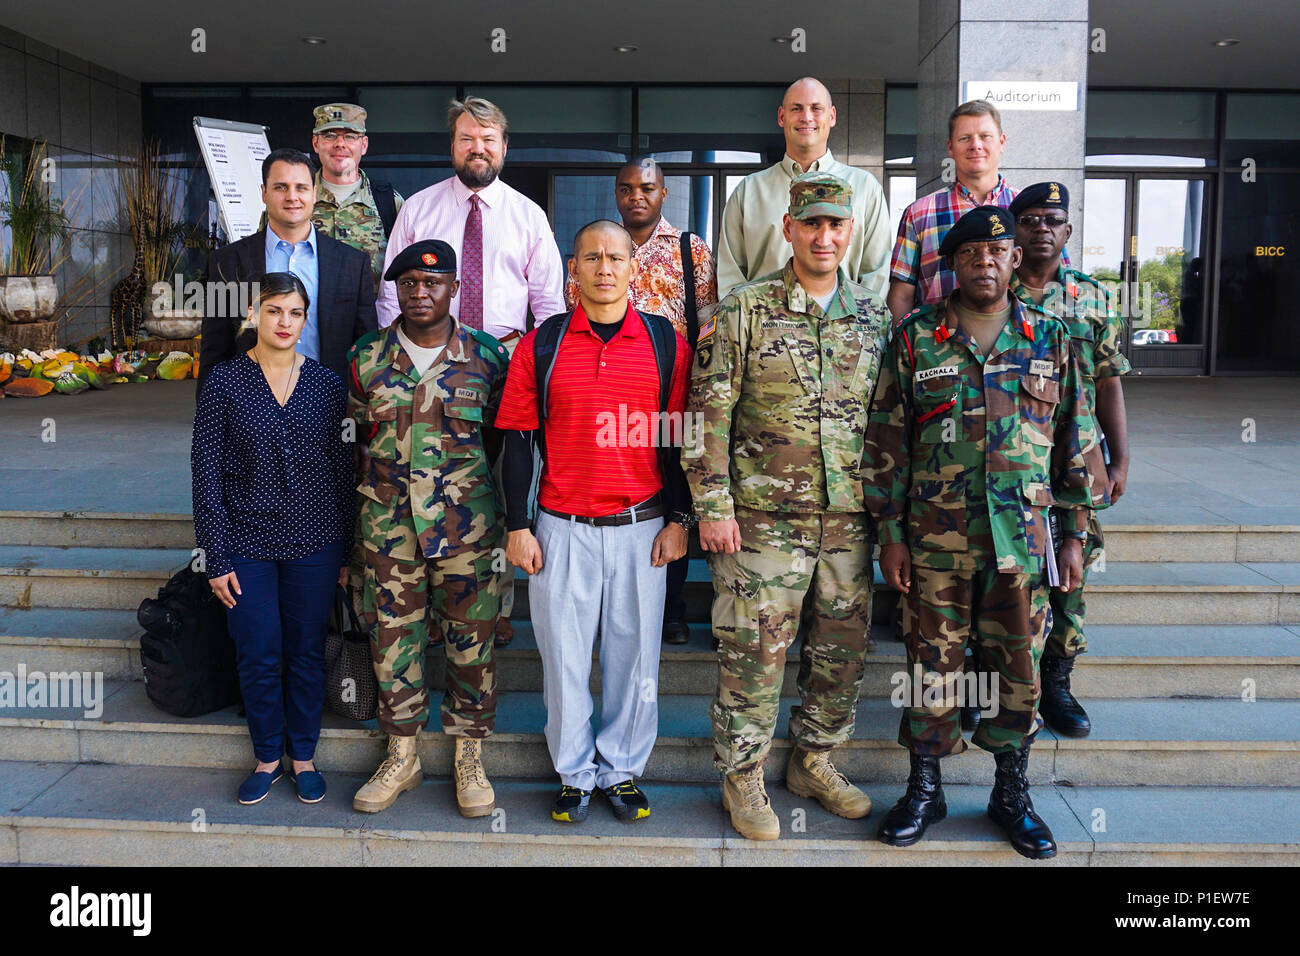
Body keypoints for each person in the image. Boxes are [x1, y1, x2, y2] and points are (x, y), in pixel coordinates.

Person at [862, 206, 1108, 860]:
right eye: (972, 253)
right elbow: (886, 439)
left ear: (1012, 260)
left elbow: (1075, 442)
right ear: (954, 262)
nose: (986, 262)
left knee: (1015, 668)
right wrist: (889, 532)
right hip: (934, 543)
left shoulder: (1049, 336)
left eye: (997, 252)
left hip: (1022, 545)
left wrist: (1076, 533)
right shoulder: (916, 338)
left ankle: (1011, 795)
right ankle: (925, 788)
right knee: (931, 668)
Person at [687, 172, 892, 842]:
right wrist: (712, 506)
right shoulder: (744, 311)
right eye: (813, 224)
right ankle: (741, 775)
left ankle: (813, 760)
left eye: (837, 225)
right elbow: (704, 417)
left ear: (850, 233)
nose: (824, 237)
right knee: (753, 652)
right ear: (790, 229)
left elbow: (887, 425)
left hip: (849, 523)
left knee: (840, 650)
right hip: (761, 522)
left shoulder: (873, 319)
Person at [498, 219, 693, 824]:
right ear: (572, 269)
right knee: (563, 659)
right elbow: (516, 439)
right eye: (591, 258)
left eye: (615, 257)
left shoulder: (667, 344)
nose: (604, 268)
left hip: (643, 528)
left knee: (635, 663)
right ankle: (575, 773)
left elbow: (685, 439)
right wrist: (516, 523)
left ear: (634, 268)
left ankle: (622, 770)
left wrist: (681, 518)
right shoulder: (542, 344)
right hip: (561, 527)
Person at [377, 97, 566, 649]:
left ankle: (493, 602)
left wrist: (538, 374)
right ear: (452, 146)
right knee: (429, 478)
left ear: (504, 147)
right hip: (429, 366)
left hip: (505, 367)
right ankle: (434, 605)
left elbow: (549, 307)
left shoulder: (528, 215)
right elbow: (393, 298)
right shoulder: (419, 208)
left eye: (487, 139)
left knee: (500, 484)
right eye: (466, 139)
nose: (477, 149)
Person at [347, 240, 510, 819]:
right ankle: (403, 752)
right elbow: (349, 450)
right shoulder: (365, 357)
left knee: (472, 642)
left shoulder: (488, 357)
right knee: (393, 642)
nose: (420, 292)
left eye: (432, 283)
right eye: (409, 282)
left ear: (454, 289)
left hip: (469, 533)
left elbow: (503, 446)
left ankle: (469, 753)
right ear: (396, 288)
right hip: (387, 531)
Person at [191, 272, 354, 806]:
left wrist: (348, 552)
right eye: (274, 311)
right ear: (254, 316)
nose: (284, 322)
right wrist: (216, 555)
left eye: (294, 313)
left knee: (306, 653)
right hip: (246, 542)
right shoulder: (224, 382)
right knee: (259, 653)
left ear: (305, 320)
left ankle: (303, 756)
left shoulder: (328, 386)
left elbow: (343, 469)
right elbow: (206, 471)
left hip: (315, 542)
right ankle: (267, 757)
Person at [563, 156, 717, 646]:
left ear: (663, 194)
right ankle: (609, 608)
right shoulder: (598, 248)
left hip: (672, 390)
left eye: (646, 188)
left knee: (675, 491)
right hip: (606, 392)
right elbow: (573, 314)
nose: (636, 197)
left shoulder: (690, 250)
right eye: (626, 189)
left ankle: (671, 608)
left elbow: (709, 321)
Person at [1010, 181, 1131, 738]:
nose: (1041, 228)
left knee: (1071, 572)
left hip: (1077, 459)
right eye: (1029, 218)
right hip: (1011, 457)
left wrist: (1121, 455)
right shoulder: (992, 288)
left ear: (1067, 230)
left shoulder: (1092, 297)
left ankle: (1057, 680)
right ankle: (1003, 685)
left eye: (1051, 219)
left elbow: (1108, 382)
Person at [198, 148, 377, 394]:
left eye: (301, 187)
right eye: (280, 187)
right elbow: (214, 350)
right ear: (264, 193)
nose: (292, 197)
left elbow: (366, 348)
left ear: (314, 194)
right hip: (253, 409)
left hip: (329, 406)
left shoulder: (352, 264)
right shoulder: (227, 263)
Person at [716, 76, 890, 298]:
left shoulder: (866, 189)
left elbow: (876, 275)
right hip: (763, 329)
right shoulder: (749, 191)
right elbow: (729, 277)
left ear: (832, 116)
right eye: (796, 109)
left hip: (843, 329)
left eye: (816, 108)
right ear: (781, 116)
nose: (806, 117)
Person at [887, 99, 1039, 319]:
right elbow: (902, 295)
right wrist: (899, 347)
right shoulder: (920, 213)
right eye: (964, 138)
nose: (975, 145)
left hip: (1016, 347)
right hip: (935, 347)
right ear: (950, 147)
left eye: (985, 136)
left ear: (1002, 142)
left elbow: (1053, 282)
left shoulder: (1030, 212)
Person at [307, 103, 404, 291]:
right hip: (306, 319)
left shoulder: (389, 203)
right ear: (315, 143)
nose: (340, 144)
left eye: (350, 136)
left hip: (370, 318)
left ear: (364, 145)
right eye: (329, 135)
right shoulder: (295, 199)